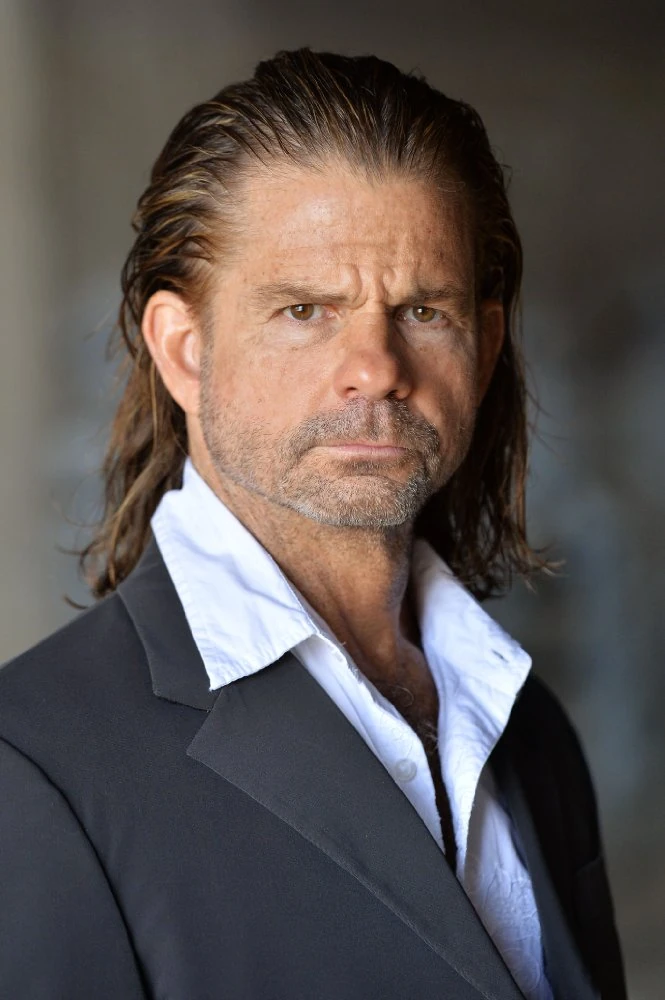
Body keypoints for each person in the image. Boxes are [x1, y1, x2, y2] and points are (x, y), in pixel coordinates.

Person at [0, 49, 625, 1000]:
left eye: (423, 310)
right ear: (185, 350)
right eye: (305, 310)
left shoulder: (529, 726)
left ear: (484, 346)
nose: (376, 367)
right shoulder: (30, 764)